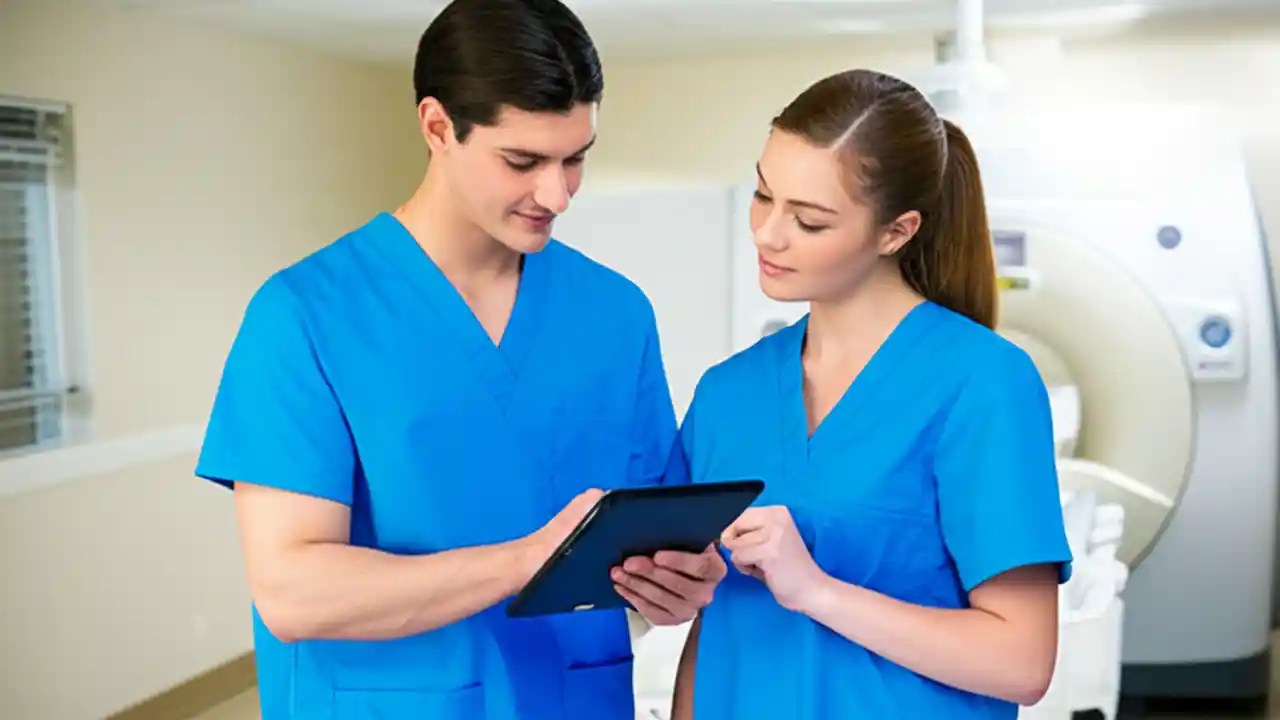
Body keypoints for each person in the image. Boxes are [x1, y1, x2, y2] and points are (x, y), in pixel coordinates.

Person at [194, 1, 726, 718]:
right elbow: (293, 592)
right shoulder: (304, 315)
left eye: (575, 158)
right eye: (522, 161)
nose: (557, 194)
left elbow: (643, 544)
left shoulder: (614, 313)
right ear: (438, 127)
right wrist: (522, 562)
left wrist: (675, 585)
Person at [660, 68, 1074, 719]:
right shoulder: (726, 394)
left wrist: (816, 591)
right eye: (764, 196)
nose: (768, 233)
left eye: (810, 221)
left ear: (895, 231)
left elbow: (1021, 662)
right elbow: (714, 628)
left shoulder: (982, 383)